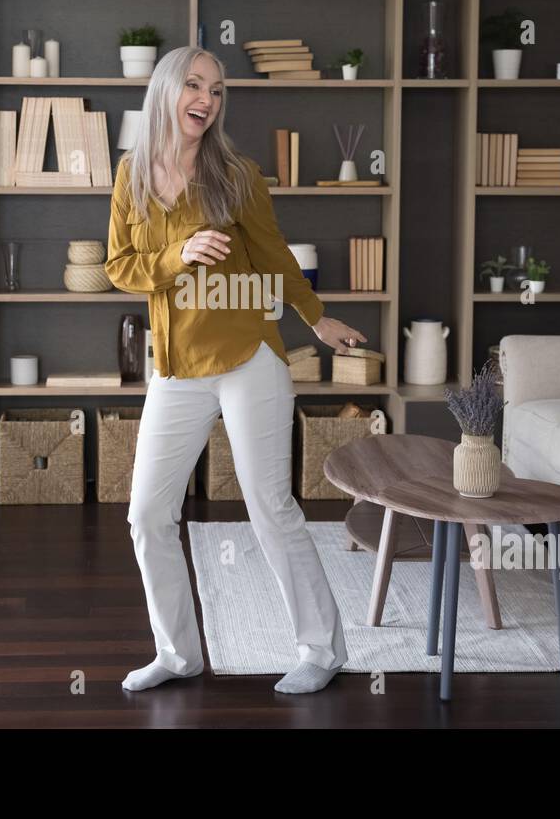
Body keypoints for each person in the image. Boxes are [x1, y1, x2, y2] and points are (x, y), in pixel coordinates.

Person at [105, 45, 369, 694]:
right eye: (195, 85)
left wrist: (317, 318)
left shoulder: (237, 174)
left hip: (248, 354)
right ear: (168, 90)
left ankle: (321, 648)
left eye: (217, 90)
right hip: (176, 364)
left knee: (270, 506)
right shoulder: (132, 175)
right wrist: (178, 253)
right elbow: (121, 265)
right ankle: (178, 652)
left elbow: (276, 256)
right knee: (147, 513)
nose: (207, 99)